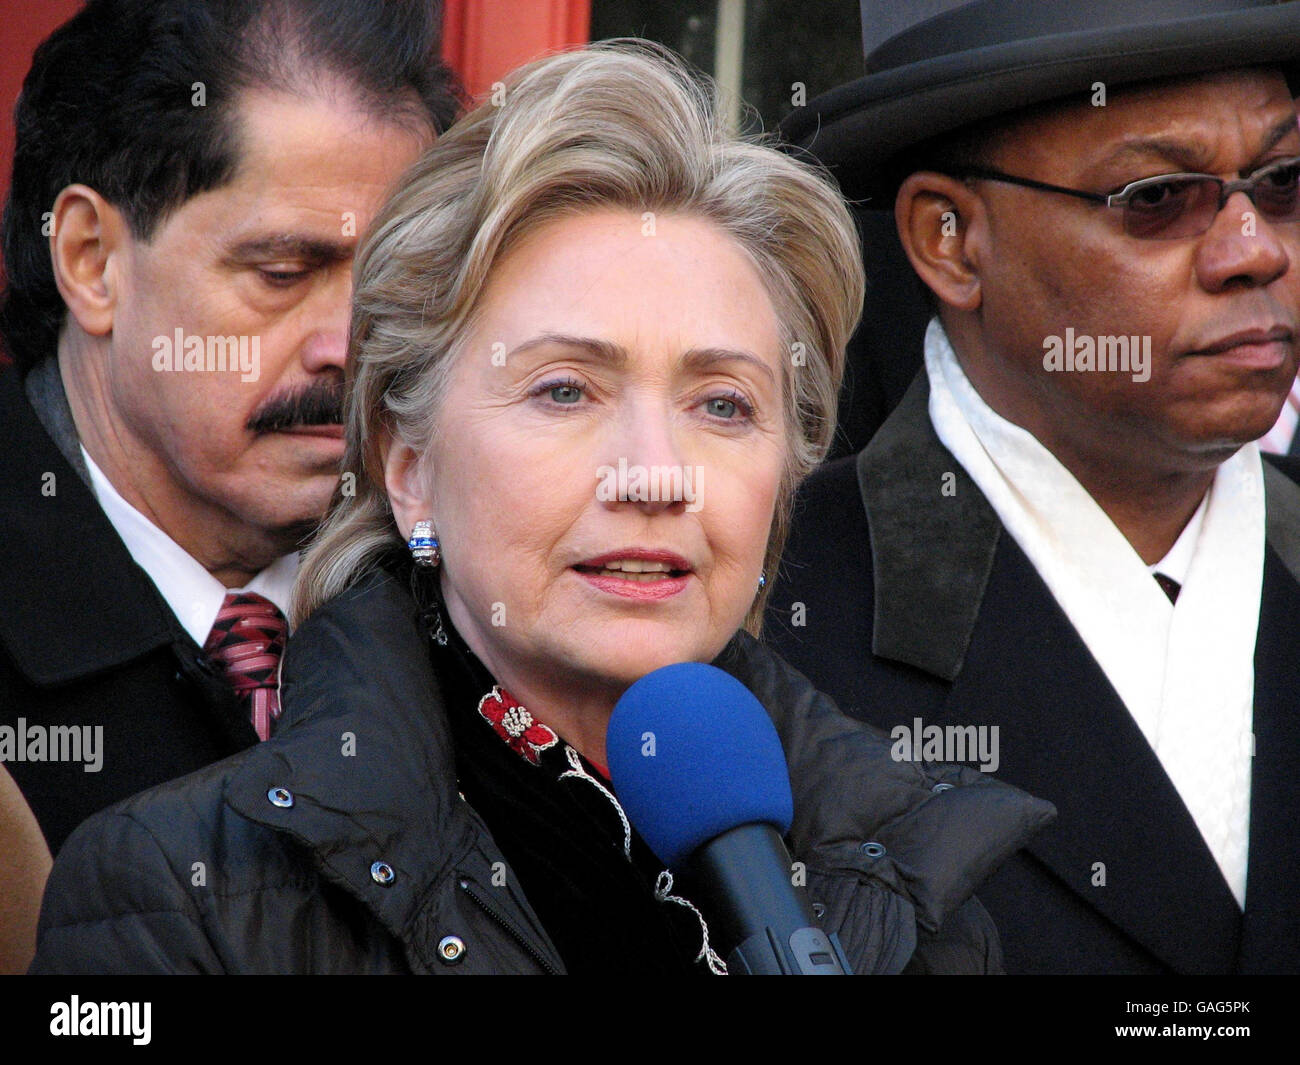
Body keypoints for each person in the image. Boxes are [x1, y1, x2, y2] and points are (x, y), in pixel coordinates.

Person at [30, 42, 1053, 975]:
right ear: (409, 465)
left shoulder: (918, 886)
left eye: (722, 405)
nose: (654, 475)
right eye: (565, 389)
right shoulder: (182, 894)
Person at [768, 0, 1300, 974]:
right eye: (1155, 197)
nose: (1253, 248)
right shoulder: (768, 614)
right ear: (949, 238)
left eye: (1282, 182)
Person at [0, 0, 457, 885]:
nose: (348, 343)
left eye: (398, 284)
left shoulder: (480, 596)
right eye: (283, 273)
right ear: (92, 259)